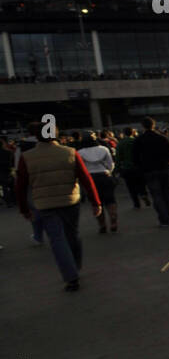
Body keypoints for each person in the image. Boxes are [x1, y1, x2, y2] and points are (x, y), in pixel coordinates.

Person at [16, 118, 101, 290]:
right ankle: (76, 265)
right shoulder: (69, 152)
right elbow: (86, 179)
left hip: (45, 204)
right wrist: (95, 202)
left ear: (37, 136)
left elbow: (21, 185)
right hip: (70, 201)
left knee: (57, 240)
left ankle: (71, 277)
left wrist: (24, 209)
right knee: (72, 235)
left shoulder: (27, 157)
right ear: (56, 134)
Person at [135, 117, 169, 226]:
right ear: (153, 125)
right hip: (163, 169)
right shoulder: (162, 138)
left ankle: (164, 219)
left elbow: (135, 158)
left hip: (149, 171)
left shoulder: (139, 140)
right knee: (168, 193)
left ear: (143, 126)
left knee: (157, 195)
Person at [77, 135, 118, 233]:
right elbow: (111, 163)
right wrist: (109, 171)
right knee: (110, 199)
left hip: (90, 179)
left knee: (96, 202)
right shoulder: (103, 149)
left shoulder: (80, 153)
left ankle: (102, 224)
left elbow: (80, 169)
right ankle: (113, 220)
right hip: (105, 175)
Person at [116, 127, 150, 210]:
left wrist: (117, 169)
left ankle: (136, 204)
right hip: (138, 166)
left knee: (131, 187)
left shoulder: (121, 143)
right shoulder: (137, 141)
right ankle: (143, 194)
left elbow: (118, 157)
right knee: (141, 183)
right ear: (133, 133)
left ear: (124, 133)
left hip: (127, 167)